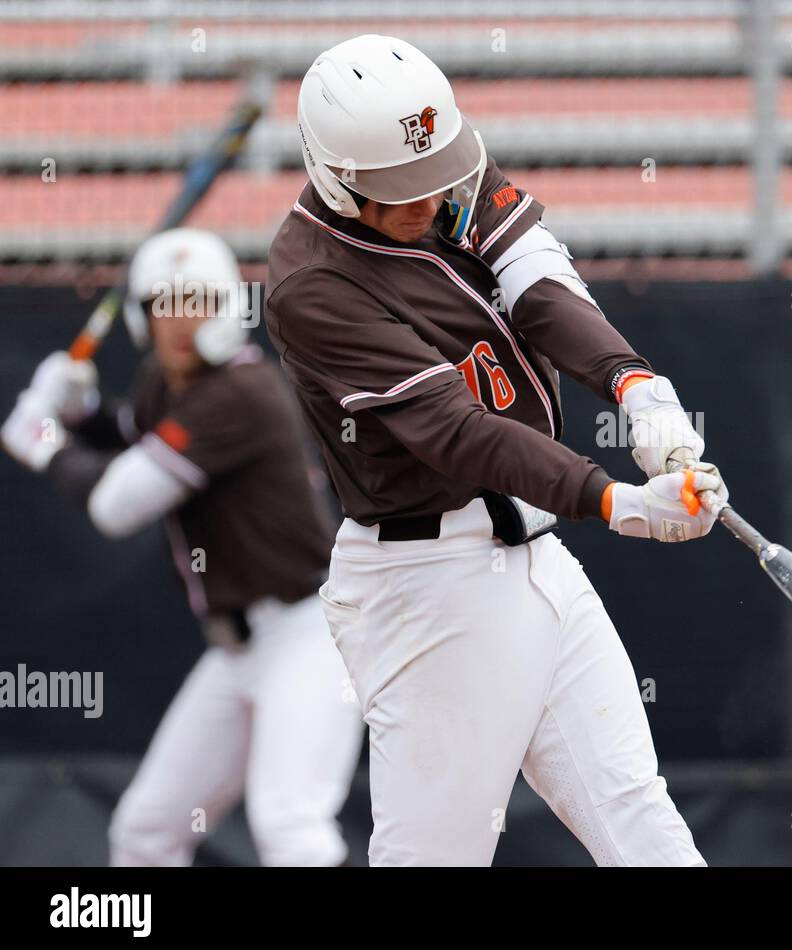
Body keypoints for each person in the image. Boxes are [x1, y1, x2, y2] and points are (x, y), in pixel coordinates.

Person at [265, 34, 726, 866]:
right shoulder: (311, 283)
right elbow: (455, 432)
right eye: (405, 190)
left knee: (639, 818)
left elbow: (538, 284)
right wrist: (617, 502)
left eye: (440, 171)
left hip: (535, 557)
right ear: (338, 179)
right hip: (428, 583)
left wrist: (636, 388)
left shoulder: (439, 162)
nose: (434, 197)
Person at [2, 228, 363, 866]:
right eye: (162, 303)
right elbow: (129, 430)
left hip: (314, 634)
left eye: (194, 300)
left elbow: (118, 503)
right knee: (147, 831)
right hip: (239, 648)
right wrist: (80, 411)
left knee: (290, 825)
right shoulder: (167, 386)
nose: (177, 319)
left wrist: (44, 443)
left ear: (224, 306)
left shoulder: (238, 392)